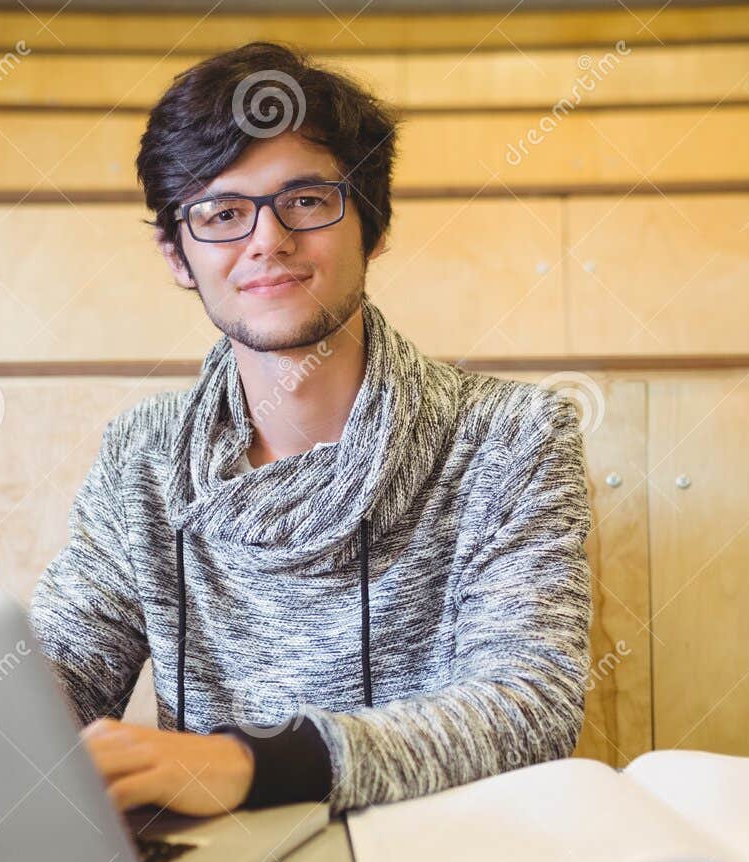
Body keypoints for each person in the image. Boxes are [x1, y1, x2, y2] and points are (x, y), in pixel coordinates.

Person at [30, 41, 593, 817]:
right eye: (222, 213)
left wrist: (251, 766)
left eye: (305, 200)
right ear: (177, 255)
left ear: (373, 223)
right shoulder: (143, 458)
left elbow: (529, 706)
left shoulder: (512, 436)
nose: (267, 239)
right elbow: (52, 678)